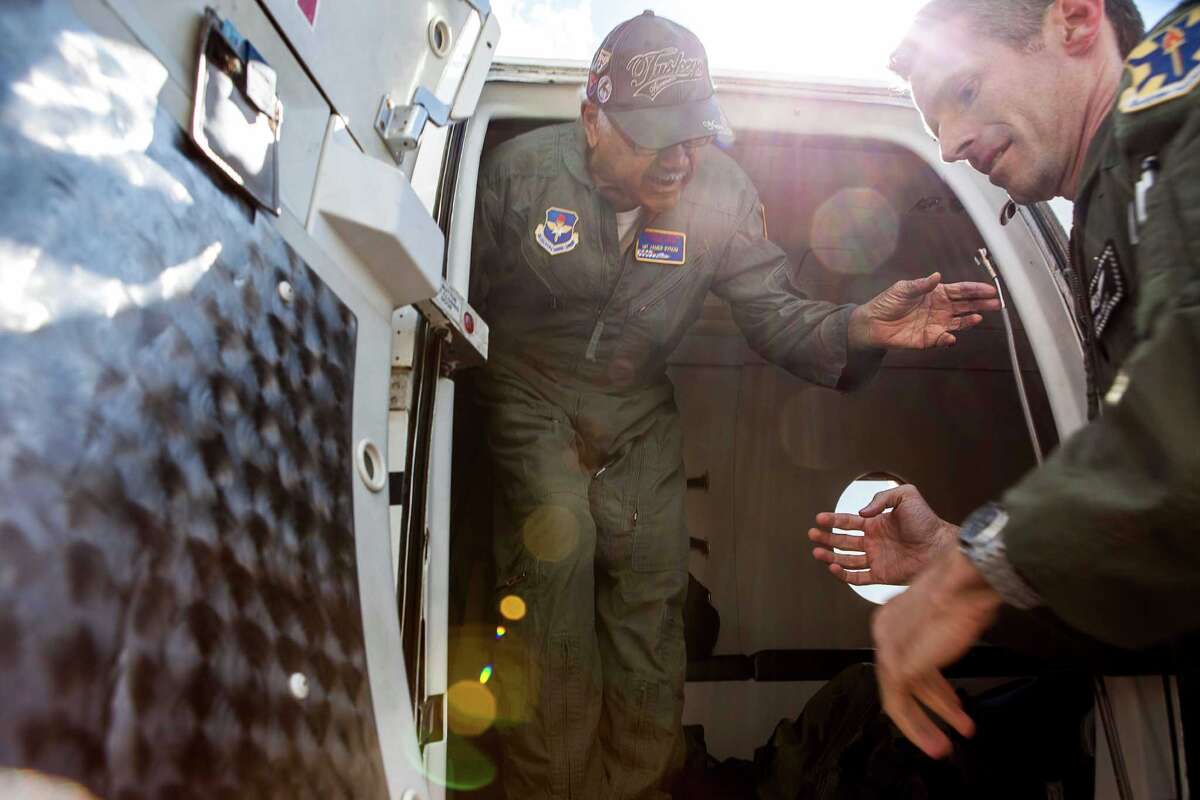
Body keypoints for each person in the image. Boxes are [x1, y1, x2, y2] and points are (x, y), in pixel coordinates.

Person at [470, 11, 1002, 798]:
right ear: (592, 121)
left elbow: (776, 314)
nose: (680, 159)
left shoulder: (720, 195)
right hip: (529, 392)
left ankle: (642, 791)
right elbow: (443, 298)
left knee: (653, 608)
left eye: (693, 134)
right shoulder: (518, 177)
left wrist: (858, 324)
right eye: (657, 137)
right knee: (557, 558)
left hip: (637, 413)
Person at [807, 0, 1200, 762]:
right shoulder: (1109, 207)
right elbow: (1165, 558)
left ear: (1076, 20)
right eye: (934, 127)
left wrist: (981, 565)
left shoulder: (1179, 118)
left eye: (964, 93)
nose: (951, 146)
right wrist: (954, 553)